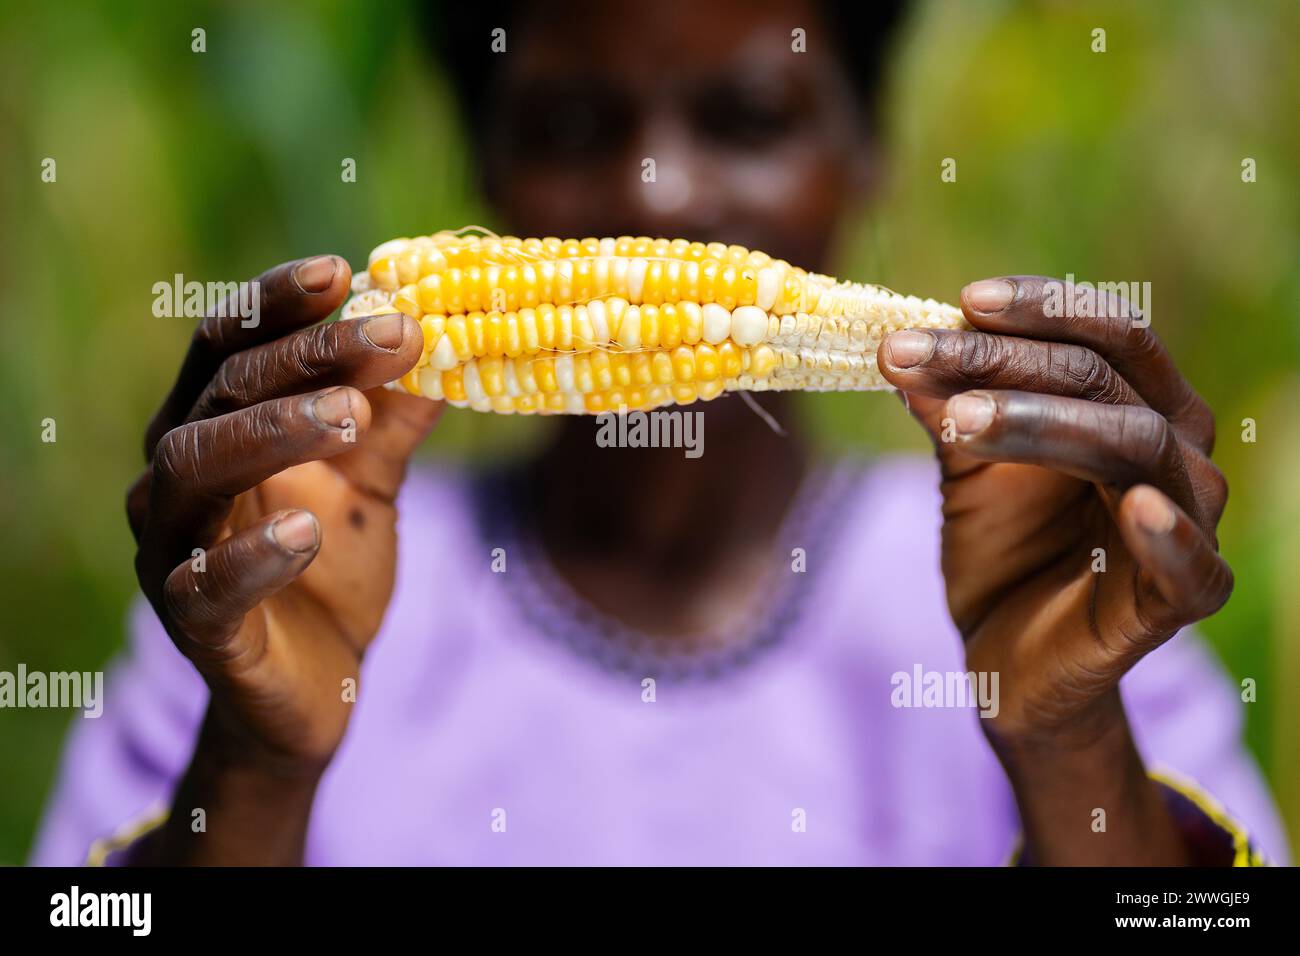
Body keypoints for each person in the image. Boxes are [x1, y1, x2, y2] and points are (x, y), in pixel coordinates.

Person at [32, 0, 1287, 865]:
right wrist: (252, 767)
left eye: (746, 116)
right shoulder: (267, 576)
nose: (657, 193)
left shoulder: (1066, 577)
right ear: (482, 164)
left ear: (868, 154)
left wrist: (1069, 743)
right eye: (575, 125)